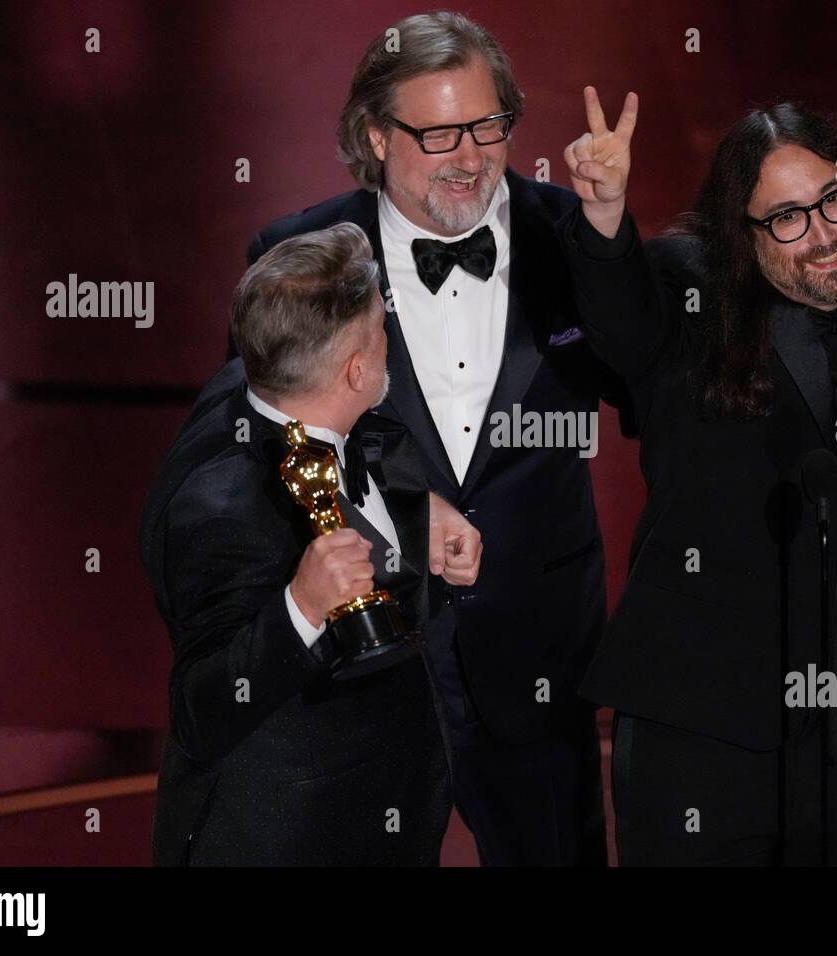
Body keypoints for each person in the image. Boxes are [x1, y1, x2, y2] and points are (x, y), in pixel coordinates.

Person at [558, 91, 837, 865]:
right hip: (695, 732)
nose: (822, 235)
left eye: (834, 200)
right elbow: (622, 331)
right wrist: (604, 215)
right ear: (741, 232)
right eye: (787, 218)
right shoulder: (691, 306)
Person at [244, 12, 612, 865]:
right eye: (440, 132)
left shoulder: (576, 235)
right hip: (368, 650)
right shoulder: (295, 256)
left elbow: (648, 376)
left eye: (488, 126)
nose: (471, 155)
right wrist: (406, 502)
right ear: (375, 135)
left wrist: (613, 235)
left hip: (537, 646)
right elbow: (266, 442)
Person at [141, 223, 482, 865]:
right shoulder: (225, 514)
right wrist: (298, 607)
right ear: (356, 371)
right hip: (295, 837)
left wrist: (418, 515)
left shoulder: (266, 383)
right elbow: (200, 714)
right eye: (382, 329)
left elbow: (372, 450)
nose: (392, 340)